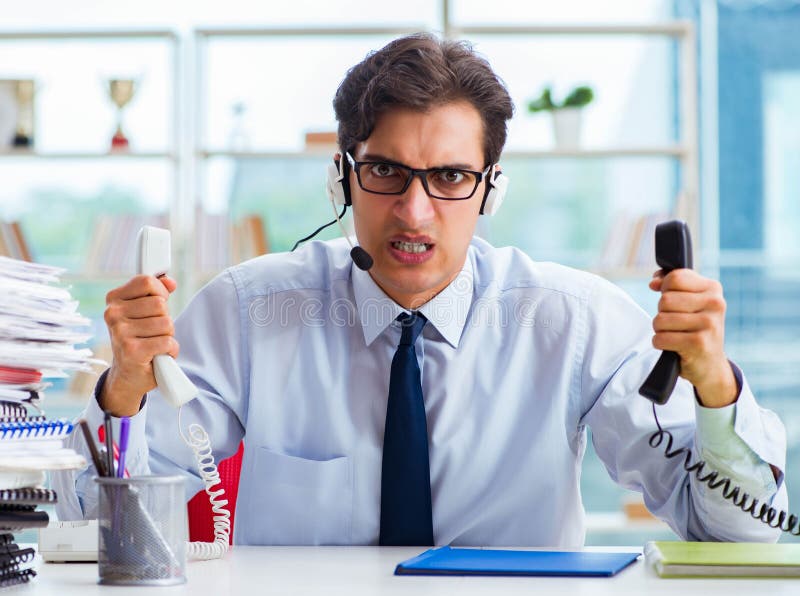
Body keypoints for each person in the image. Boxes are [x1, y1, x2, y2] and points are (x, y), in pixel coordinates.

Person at [56, 33, 787, 546]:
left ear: (489, 190)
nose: (414, 211)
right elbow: (101, 522)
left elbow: (741, 526)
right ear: (343, 177)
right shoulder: (249, 312)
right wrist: (123, 390)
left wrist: (716, 388)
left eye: (449, 177)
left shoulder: (575, 322)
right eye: (386, 172)